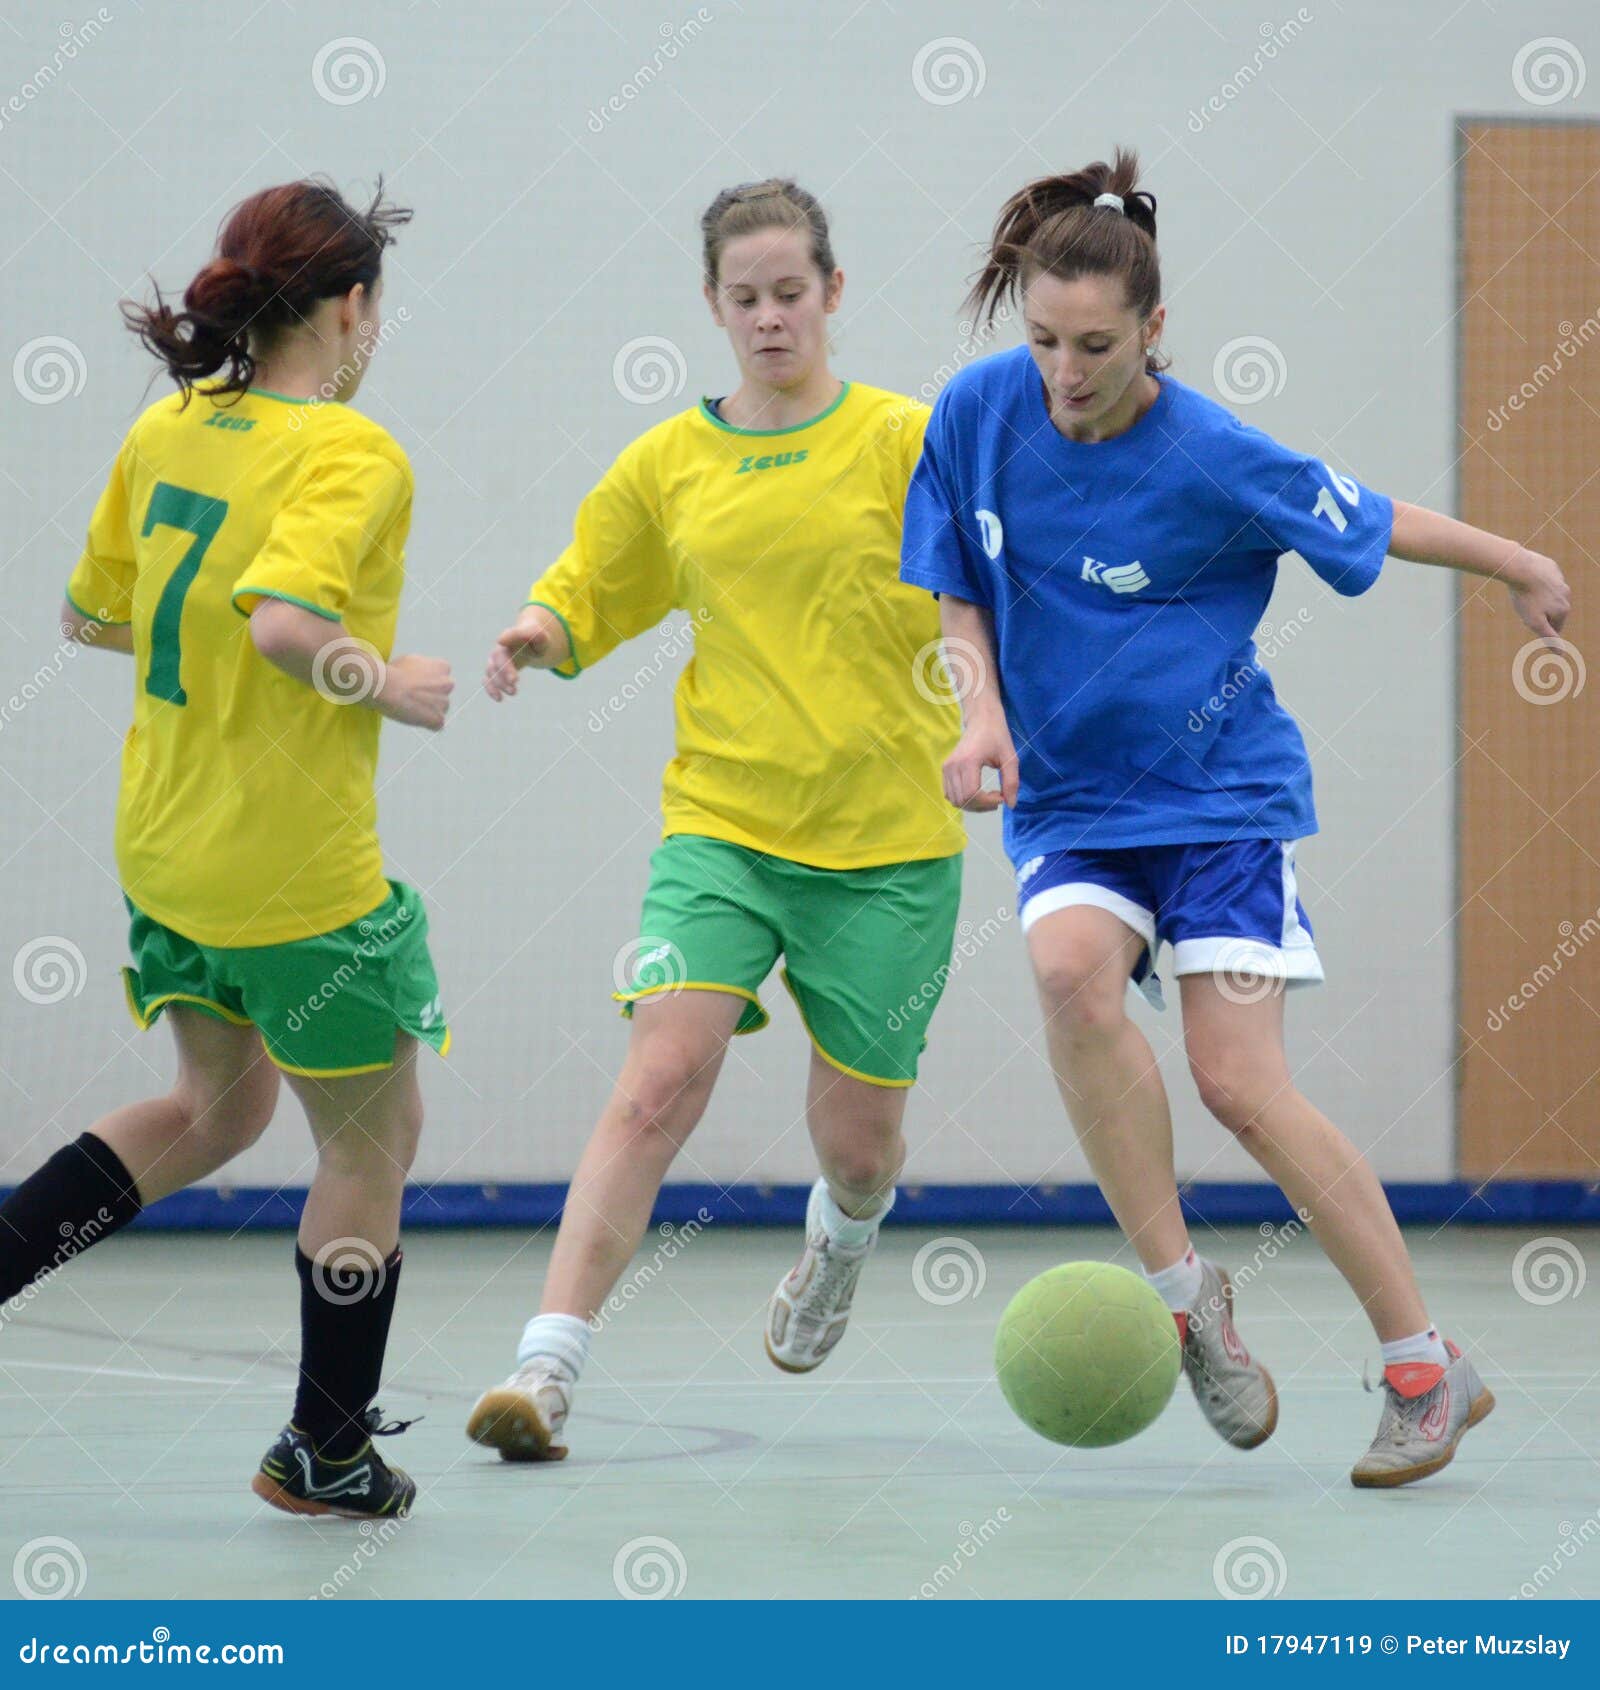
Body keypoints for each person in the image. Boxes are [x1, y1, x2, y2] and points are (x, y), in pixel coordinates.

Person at [900, 149, 1570, 1488]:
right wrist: (977, 714)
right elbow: (957, 587)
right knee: (1067, 975)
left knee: (1238, 1082)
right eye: (1042, 340)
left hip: (1220, 803)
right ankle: (1184, 1291)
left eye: (1095, 344)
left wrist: (1522, 563)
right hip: (1076, 807)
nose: (1065, 372)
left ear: (1154, 329)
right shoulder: (978, 412)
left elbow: (1371, 517)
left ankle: (1428, 1366)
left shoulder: (1210, 450)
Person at [466, 179, 964, 1461]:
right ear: (714, 308)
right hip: (724, 829)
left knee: (859, 1142)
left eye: (791, 292)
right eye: (743, 299)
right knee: (656, 1081)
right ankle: (546, 1365)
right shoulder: (670, 462)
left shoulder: (911, 441)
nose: (769, 318)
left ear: (834, 293)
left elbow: (990, 594)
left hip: (890, 847)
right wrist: (545, 628)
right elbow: (598, 582)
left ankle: (841, 1237)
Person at [0, 178, 454, 1519]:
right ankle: (327, 1444)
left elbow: (95, 618)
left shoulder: (172, 424)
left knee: (219, 1107)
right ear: (355, 305)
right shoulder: (351, 452)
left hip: (167, 842)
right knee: (373, 1135)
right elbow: (280, 624)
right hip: (292, 869)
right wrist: (392, 680)